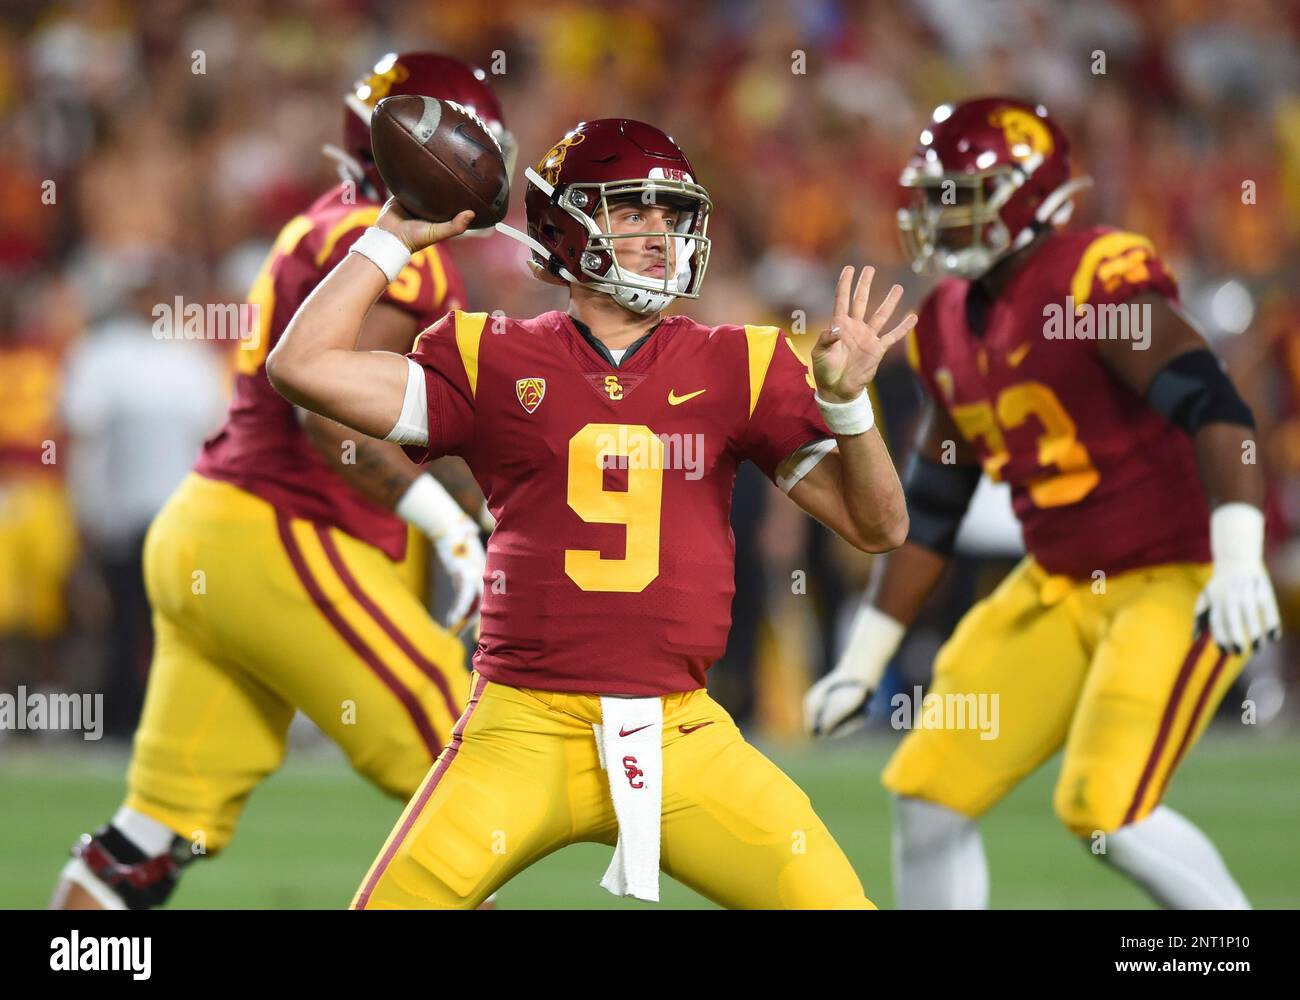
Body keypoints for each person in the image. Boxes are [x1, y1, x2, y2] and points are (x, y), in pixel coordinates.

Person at [265, 117, 914, 909]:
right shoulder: (489, 353)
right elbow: (301, 367)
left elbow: (881, 529)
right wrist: (392, 237)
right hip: (519, 729)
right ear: (565, 225)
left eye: (671, 216)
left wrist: (849, 408)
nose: (659, 235)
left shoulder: (741, 361)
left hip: (682, 733)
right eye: (631, 211)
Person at [52, 53, 511, 910]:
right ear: (435, 152)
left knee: (146, 843)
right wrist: (451, 528)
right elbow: (333, 419)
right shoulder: (389, 244)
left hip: (212, 535)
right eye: (479, 149)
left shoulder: (324, 221)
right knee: (474, 768)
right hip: (282, 537)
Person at [805, 97, 1280, 909]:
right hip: (1057, 584)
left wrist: (1239, 557)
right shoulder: (948, 318)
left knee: (1109, 811)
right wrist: (864, 657)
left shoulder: (1094, 280)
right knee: (928, 792)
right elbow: (937, 499)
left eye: (960, 194)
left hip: (1174, 579)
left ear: (1027, 195)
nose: (938, 214)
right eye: (936, 195)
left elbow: (1218, 409)